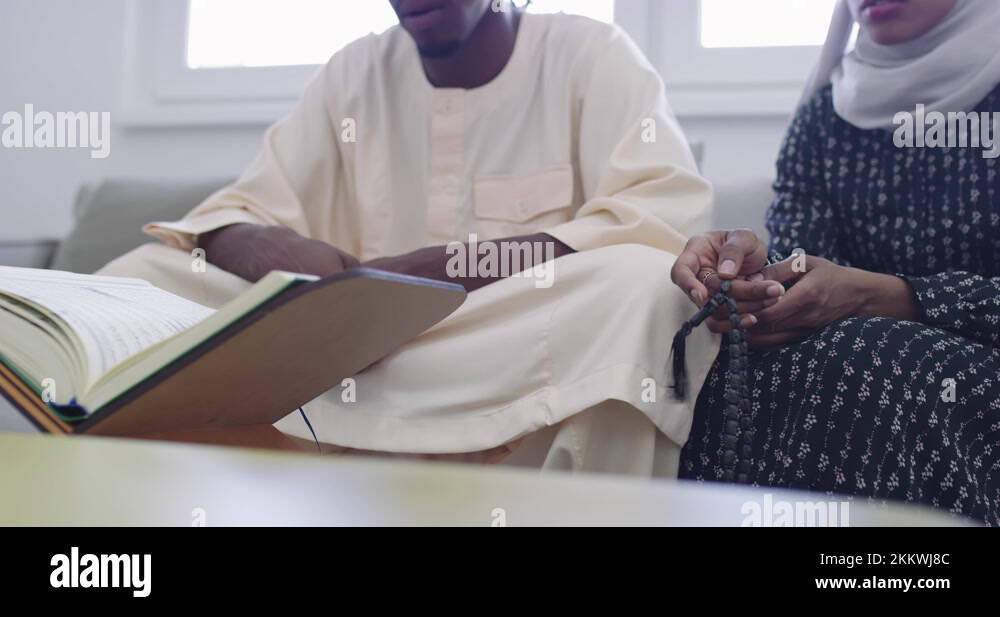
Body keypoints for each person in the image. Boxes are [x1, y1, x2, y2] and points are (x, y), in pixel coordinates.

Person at [99, 0, 745, 474]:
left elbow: (661, 220)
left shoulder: (592, 56)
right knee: (139, 277)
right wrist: (290, 261)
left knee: (641, 289)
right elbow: (227, 218)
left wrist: (422, 275)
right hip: (352, 364)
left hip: (505, 361)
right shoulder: (353, 76)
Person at [671, 0, 1000, 524]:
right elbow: (801, 261)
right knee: (723, 369)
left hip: (933, 364)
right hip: (849, 355)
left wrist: (892, 298)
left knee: (882, 361)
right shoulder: (828, 115)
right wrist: (751, 279)